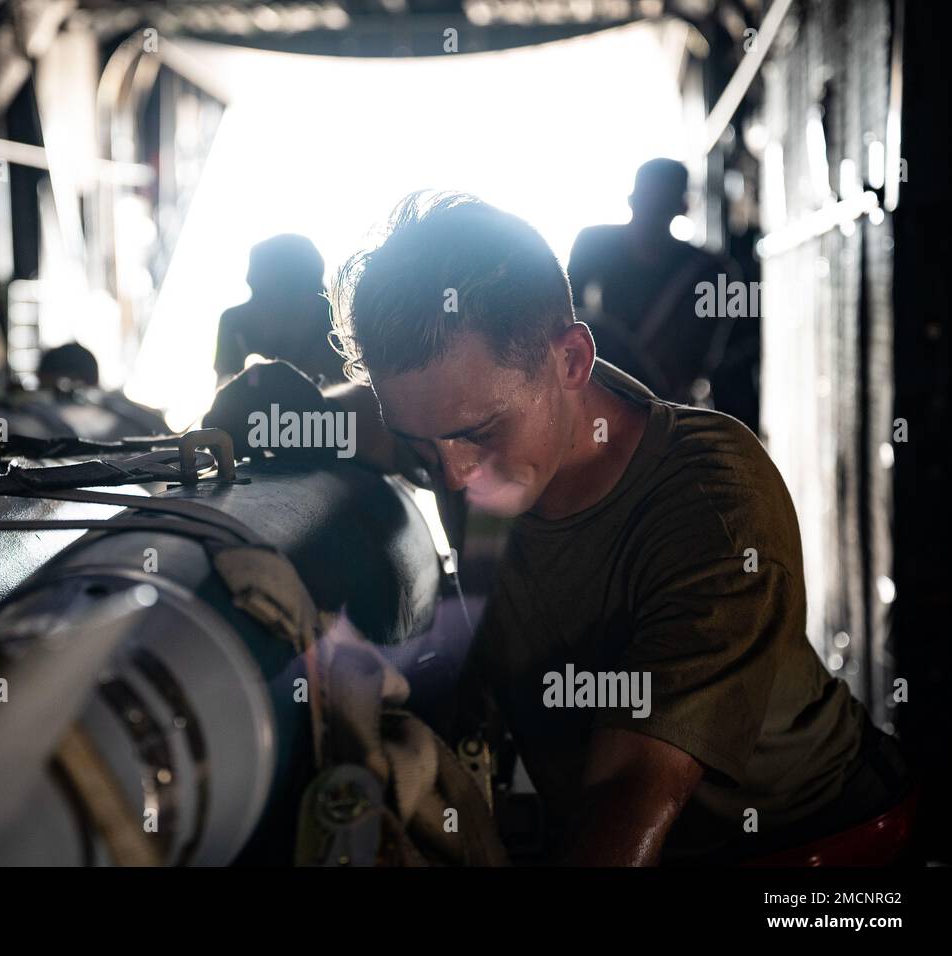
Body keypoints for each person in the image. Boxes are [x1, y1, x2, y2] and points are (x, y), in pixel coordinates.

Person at [205, 192, 911, 865]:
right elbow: (369, 420)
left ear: (571, 360)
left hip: (812, 846)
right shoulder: (459, 421)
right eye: (420, 442)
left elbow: (627, 798)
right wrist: (270, 408)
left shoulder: (712, 504)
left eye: (476, 433)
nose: (451, 476)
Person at [567, 159, 742, 409]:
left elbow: (713, 357)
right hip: (622, 395)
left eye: (657, 204)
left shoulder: (714, 273)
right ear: (684, 207)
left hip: (646, 400)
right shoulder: (716, 271)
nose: (651, 215)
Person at [213, 234, 346, 387]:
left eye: (263, 295)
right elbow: (223, 393)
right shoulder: (236, 322)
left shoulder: (345, 337)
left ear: (306, 297)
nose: (253, 307)